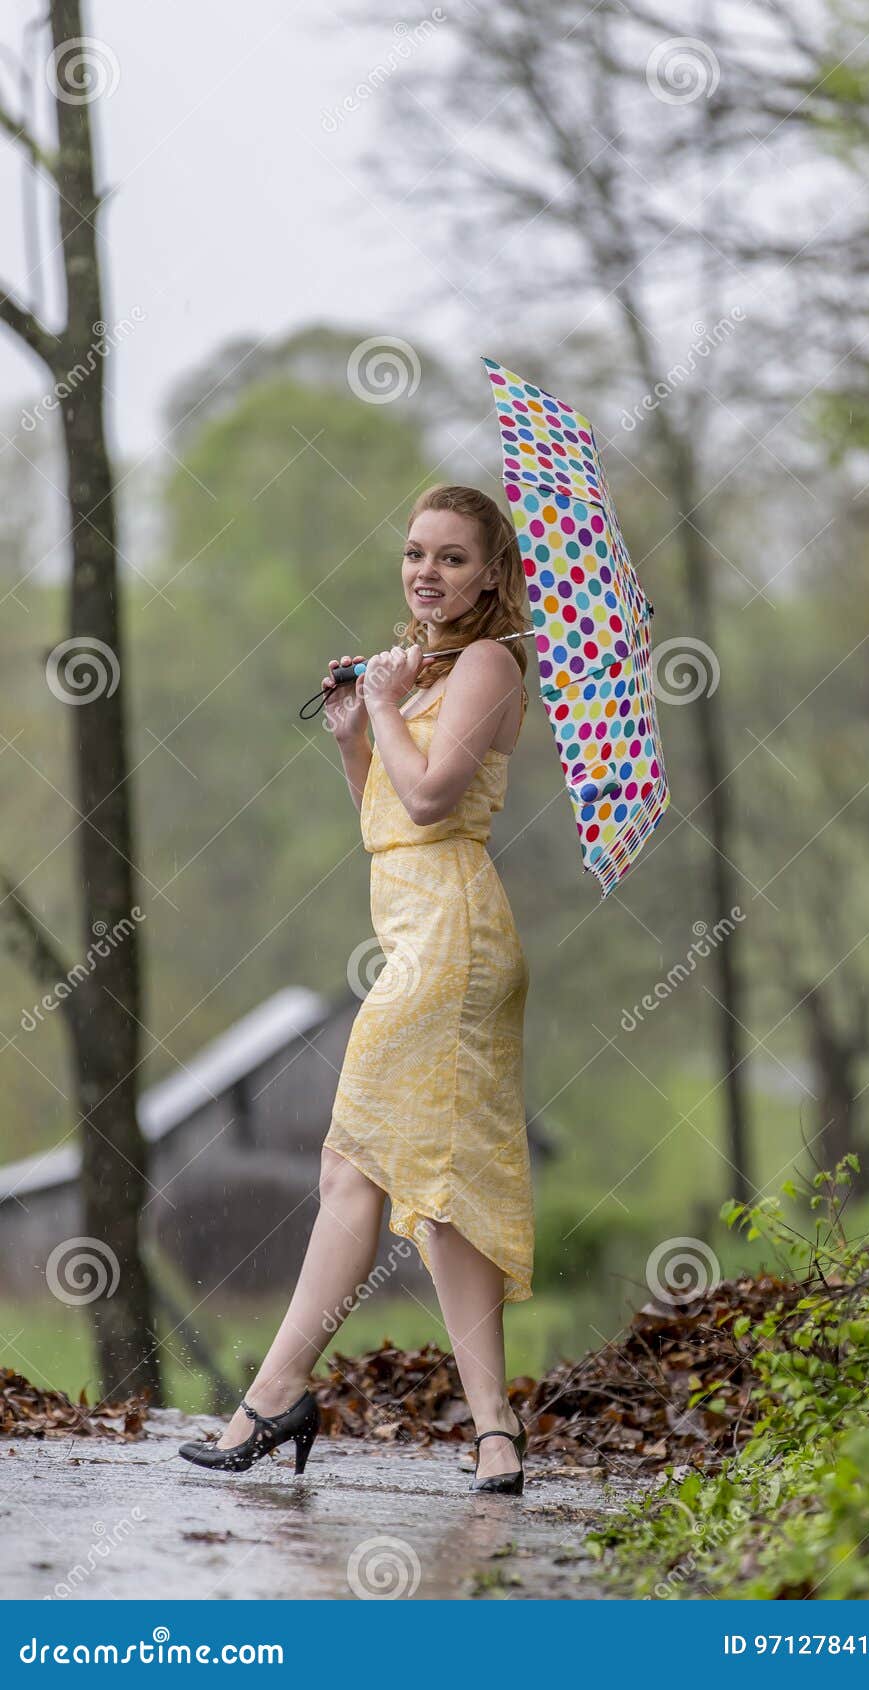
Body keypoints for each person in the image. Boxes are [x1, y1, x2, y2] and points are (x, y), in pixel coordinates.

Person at [179, 485, 534, 1493]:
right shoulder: (427, 668)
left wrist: (384, 704)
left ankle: (276, 1390)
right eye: (415, 553)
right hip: (425, 933)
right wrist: (352, 738)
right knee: (444, 1189)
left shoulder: (488, 663)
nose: (427, 571)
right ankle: (494, 1432)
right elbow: (390, 817)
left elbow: (432, 798)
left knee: (350, 1166)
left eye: (453, 558)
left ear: (492, 574)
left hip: (450, 947)